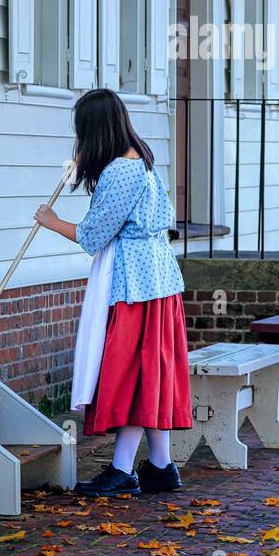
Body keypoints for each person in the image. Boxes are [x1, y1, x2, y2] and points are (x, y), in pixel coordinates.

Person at [34, 89, 191, 497]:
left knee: (131, 375)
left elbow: (91, 235)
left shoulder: (120, 170)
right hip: (158, 281)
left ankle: (122, 470)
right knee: (149, 372)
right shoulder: (144, 159)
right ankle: (160, 466)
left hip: (134, 286)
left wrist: (52, 221)